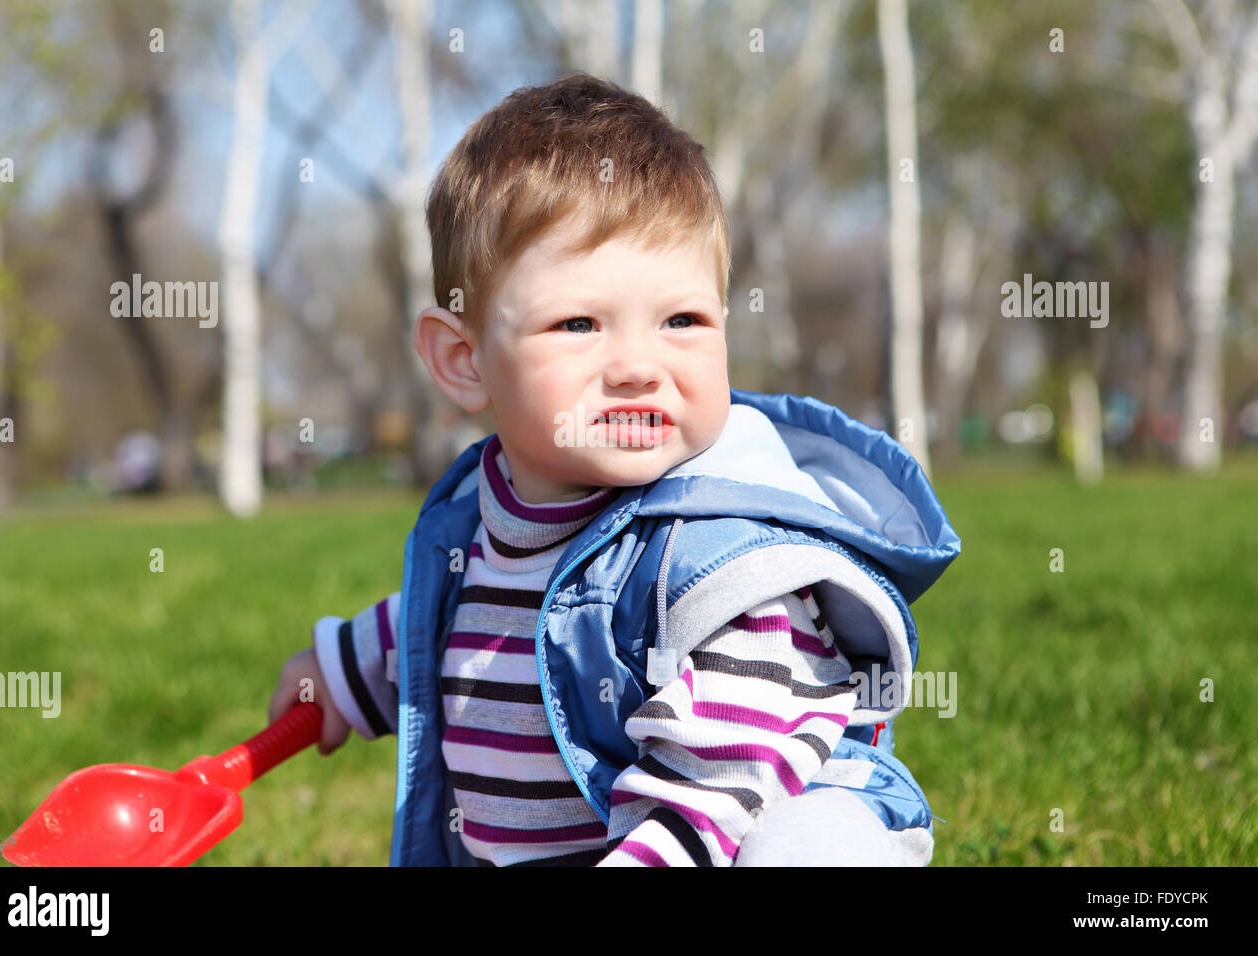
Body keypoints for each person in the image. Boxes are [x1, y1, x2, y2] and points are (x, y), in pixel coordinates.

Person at [268, 73, 961, 866]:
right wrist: (333, 670)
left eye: (682, 320)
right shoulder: (478, 527)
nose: (637, 365)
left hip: (718, 829)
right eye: (578, 323)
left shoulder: (725, 571)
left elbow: (714, 790)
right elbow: (432, 626)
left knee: (811, 844)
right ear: (464, 361)